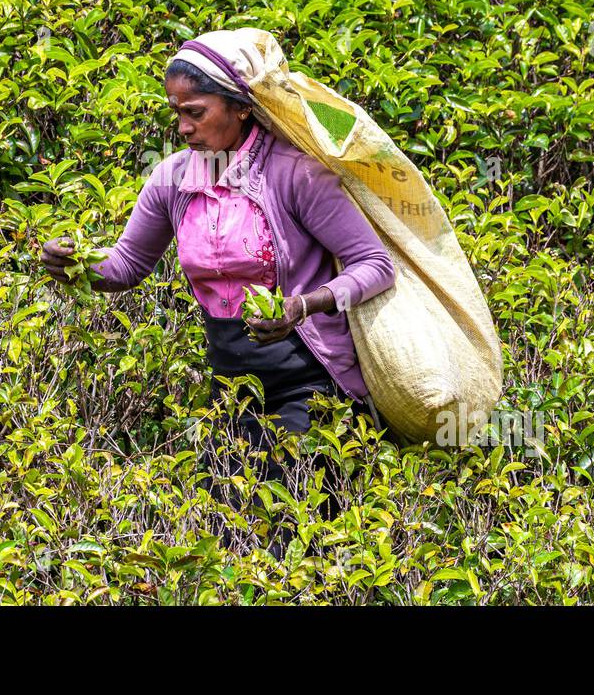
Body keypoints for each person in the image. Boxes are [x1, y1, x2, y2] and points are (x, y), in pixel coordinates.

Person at [41, 32, 395, 559]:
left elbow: (376, 265)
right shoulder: (174, 179)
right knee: (227, 540)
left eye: (196, 113)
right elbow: (126, 266)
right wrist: (73, 266)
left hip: (311, 382)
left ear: (242, 107)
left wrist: (306, 303)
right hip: (232, 389)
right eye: (176, 113)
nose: (183, 128)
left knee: (296, 537)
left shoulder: (296, 174)